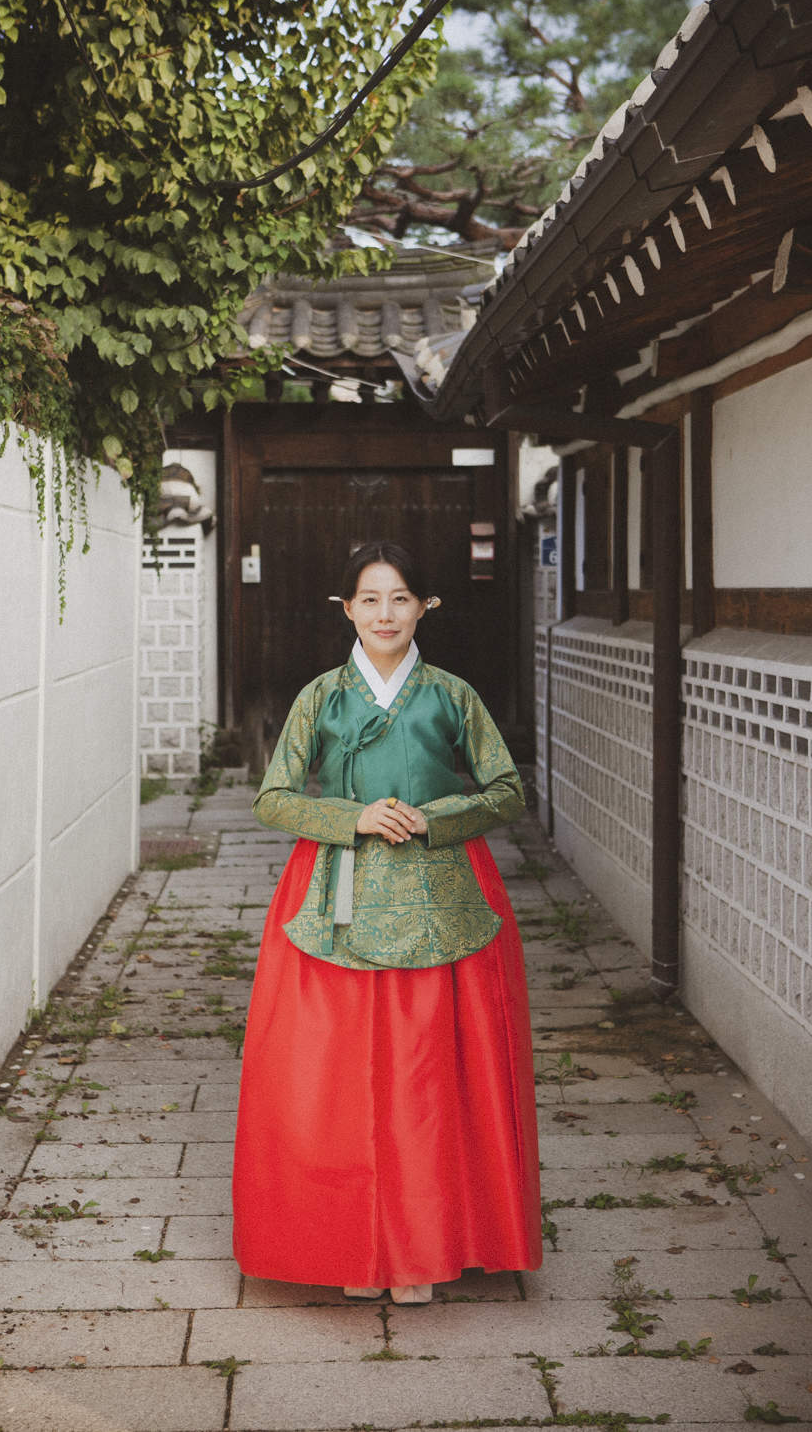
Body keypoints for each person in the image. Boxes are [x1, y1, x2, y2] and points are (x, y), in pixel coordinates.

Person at [231, 540, 542, 1304]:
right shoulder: (320, 699)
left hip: (443, 889)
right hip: (336, 886)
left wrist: (434, 817)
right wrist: (353, 815)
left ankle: (425, 1244)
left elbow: (506, 790)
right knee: (336, 1075)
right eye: (368, 599)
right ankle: (350, 1244)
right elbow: (272, 799)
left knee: (428, 1075)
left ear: (425, 607)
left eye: (400, 598)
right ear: (346, 609)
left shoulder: (452, 696)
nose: (385, 613)